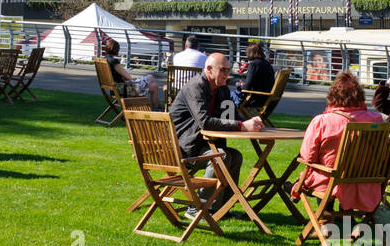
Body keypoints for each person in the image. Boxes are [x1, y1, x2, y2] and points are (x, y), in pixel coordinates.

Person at [169, 52, 263, 215]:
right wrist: (242, 126)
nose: (227, 74)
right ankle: (198, 208)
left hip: (201, 144)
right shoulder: (196, 87)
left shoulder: (223, 89)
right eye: (223, 70)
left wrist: (252, 122)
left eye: (228, 70)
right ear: (209, 69)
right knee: (222, 156)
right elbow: (204, 122)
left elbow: (230, 115)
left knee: (235, 156)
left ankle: (222, 208)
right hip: (182, 149)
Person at [292, 72, 385, 212]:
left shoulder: (322, 121)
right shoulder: (376, 119)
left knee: (322, 169)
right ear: (359, 96)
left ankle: (326, 220)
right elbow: (382, 152)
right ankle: (348, 219)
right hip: (366, 178)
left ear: (333, 96)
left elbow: (308, 157)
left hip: (330, 179)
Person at [102, 38, 161, 108]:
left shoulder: (104, 59)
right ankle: (156, 108)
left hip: (115, 89)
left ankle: (157, 107)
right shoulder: (114, 62)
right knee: (152, 81)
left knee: (152, 82)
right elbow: (128, 77)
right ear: (116, 50)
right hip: (123, 89)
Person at [238, 41, 274, 110]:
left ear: (250, 53)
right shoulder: (266, 63)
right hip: (266, 99)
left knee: (229, 99)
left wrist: (240, 87)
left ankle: (230, 120)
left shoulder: (254, 64)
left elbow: (248, 86)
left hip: (256, 99)